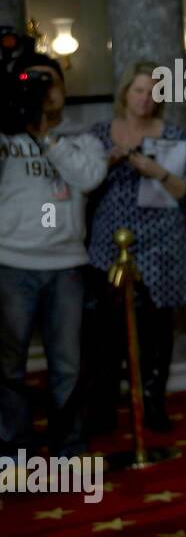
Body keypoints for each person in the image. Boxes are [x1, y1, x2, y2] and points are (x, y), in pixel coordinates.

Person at [84, 62, 186, 435]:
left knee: (155, 330)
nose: (145, 98)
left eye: (153, 91)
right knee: (107, 330)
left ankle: (153, 404)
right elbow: (78, 187)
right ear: (124, 94)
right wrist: (109, 161)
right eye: (138, 90)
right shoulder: (100, 134)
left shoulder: (173, 135)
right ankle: (104, 408)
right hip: (110, 244)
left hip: (160, 243)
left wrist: (157, 172)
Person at [0, 54, 106, 455]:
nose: (44, 90)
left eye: (51, 82)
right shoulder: (6, 138)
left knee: (68, 365)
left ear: (64, 89)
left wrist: (46, 136)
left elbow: (90, 177)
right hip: (11, 261)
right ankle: (13, 447)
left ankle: (70, 445)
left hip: (67, 264)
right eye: (34, 82)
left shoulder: (84, 137)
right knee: (9, 365)